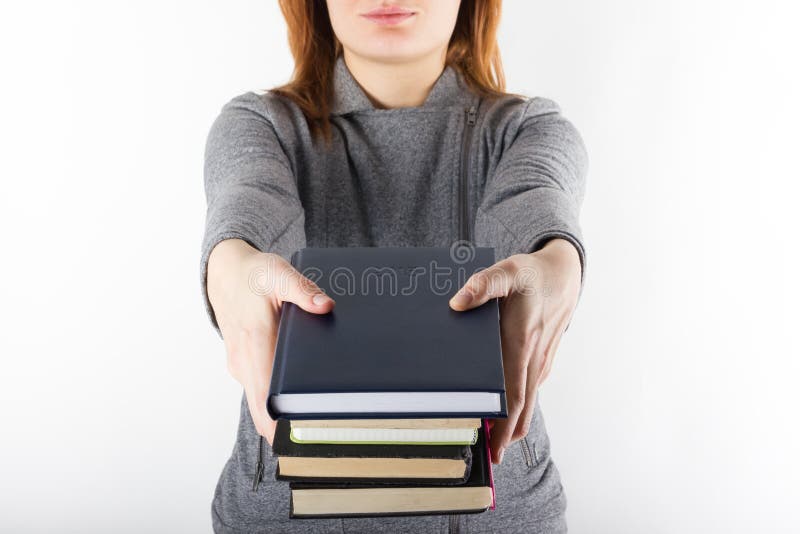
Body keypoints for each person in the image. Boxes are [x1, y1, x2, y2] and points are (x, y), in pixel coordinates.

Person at [200, 1, 587, 532]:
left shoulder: (527, 128)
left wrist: (558, 259)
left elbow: (538, 200)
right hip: (285, 511)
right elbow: (248, 201)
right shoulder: (261, 125)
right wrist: (230, 263)